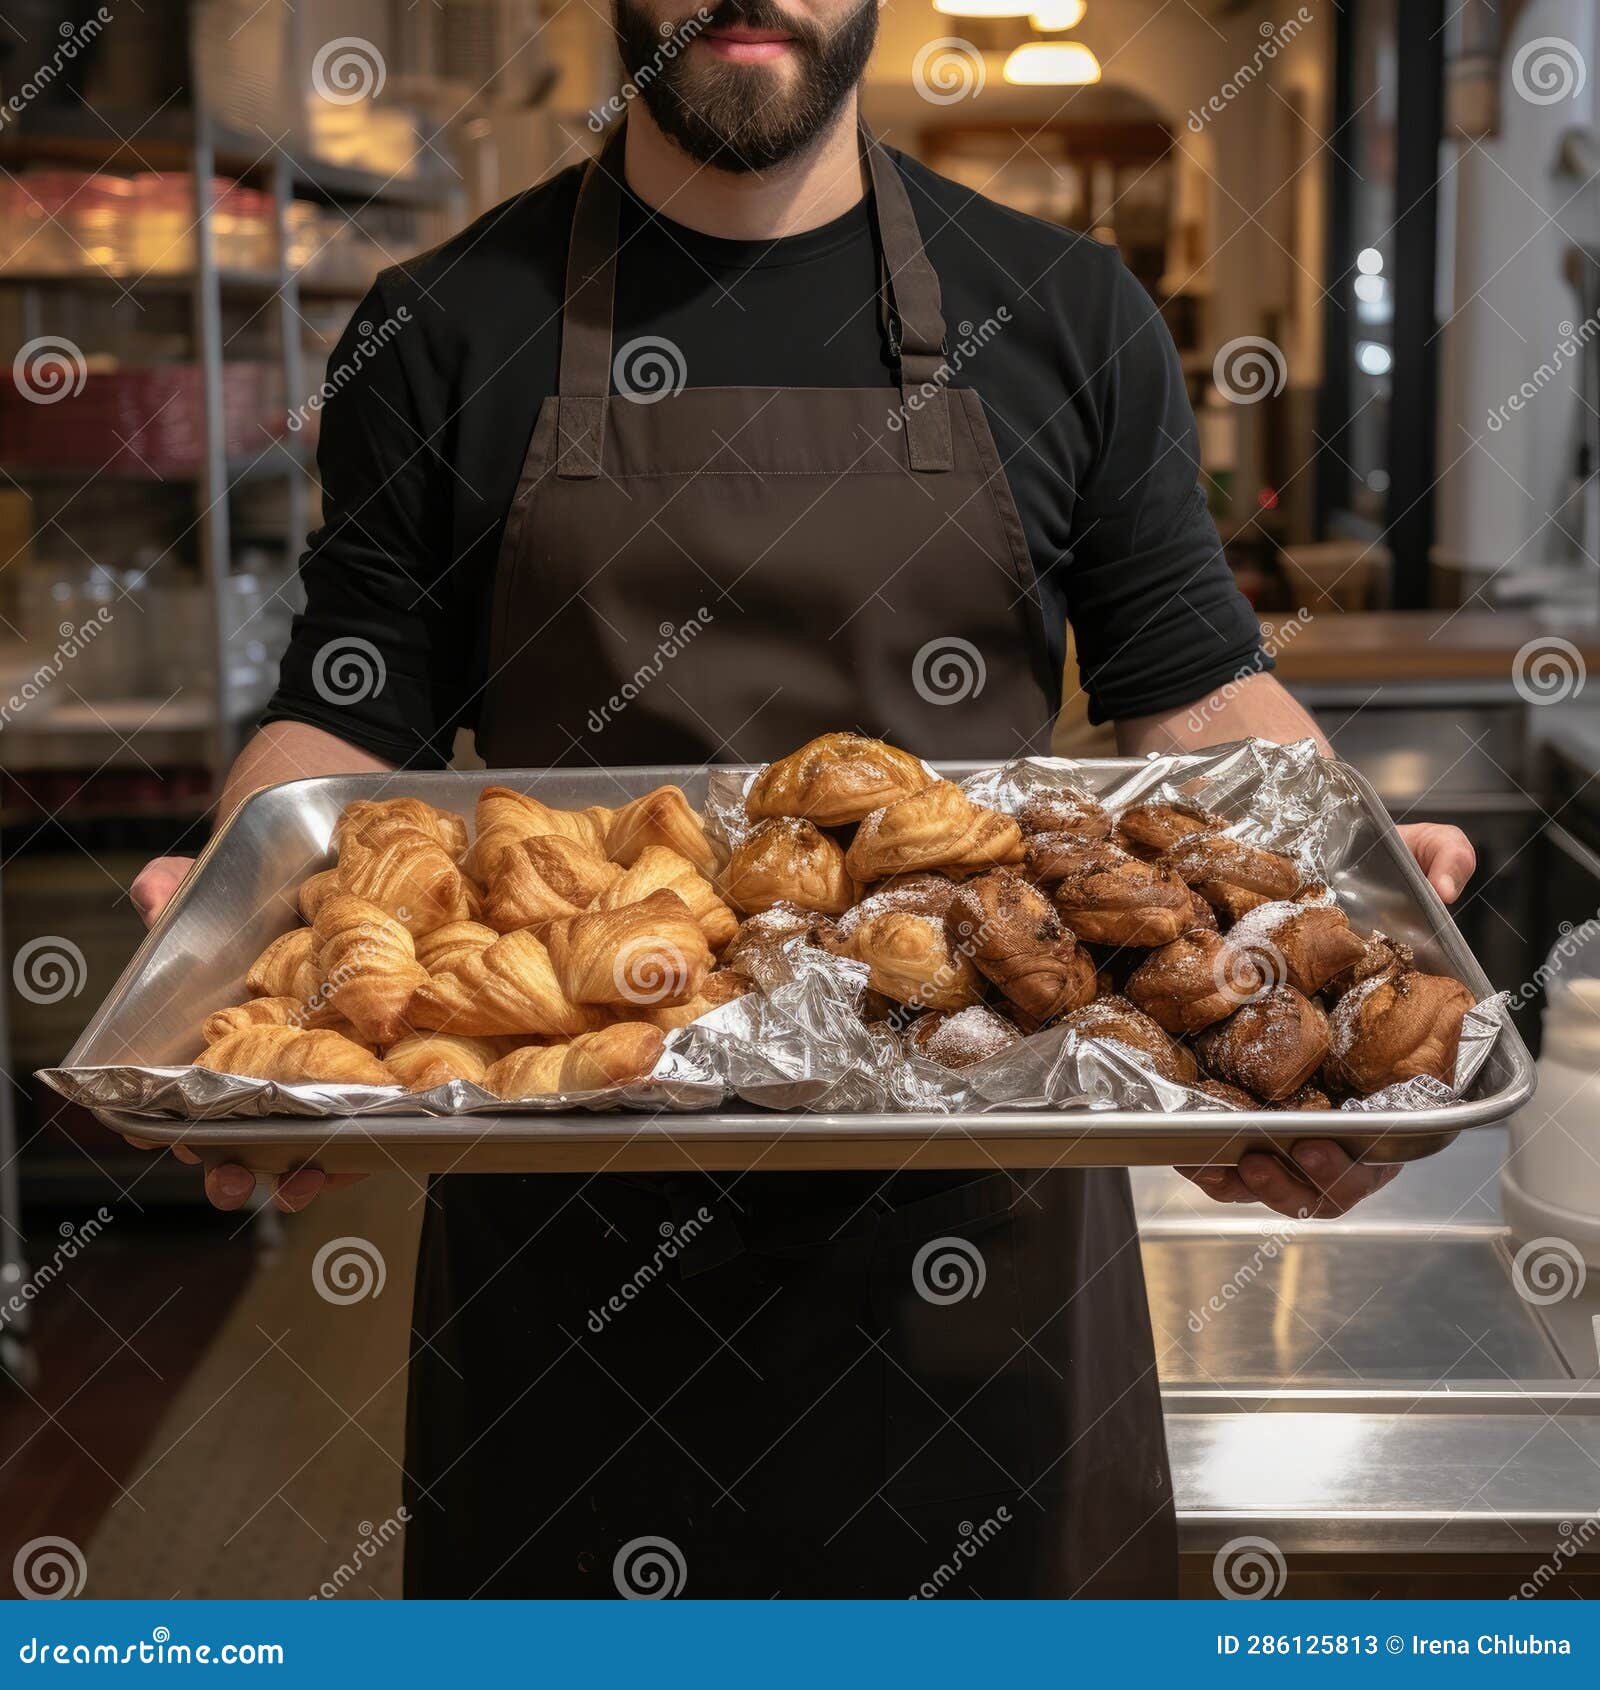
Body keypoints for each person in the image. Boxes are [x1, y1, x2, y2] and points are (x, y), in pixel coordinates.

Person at [131, 0, 1475, 1597]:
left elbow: (1196, 687)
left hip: (991, 1260)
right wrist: (215, 924)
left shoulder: (1062, 311)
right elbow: (344, 714)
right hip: (575, 1263)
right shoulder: (436, 328)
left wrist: (1343, 898)